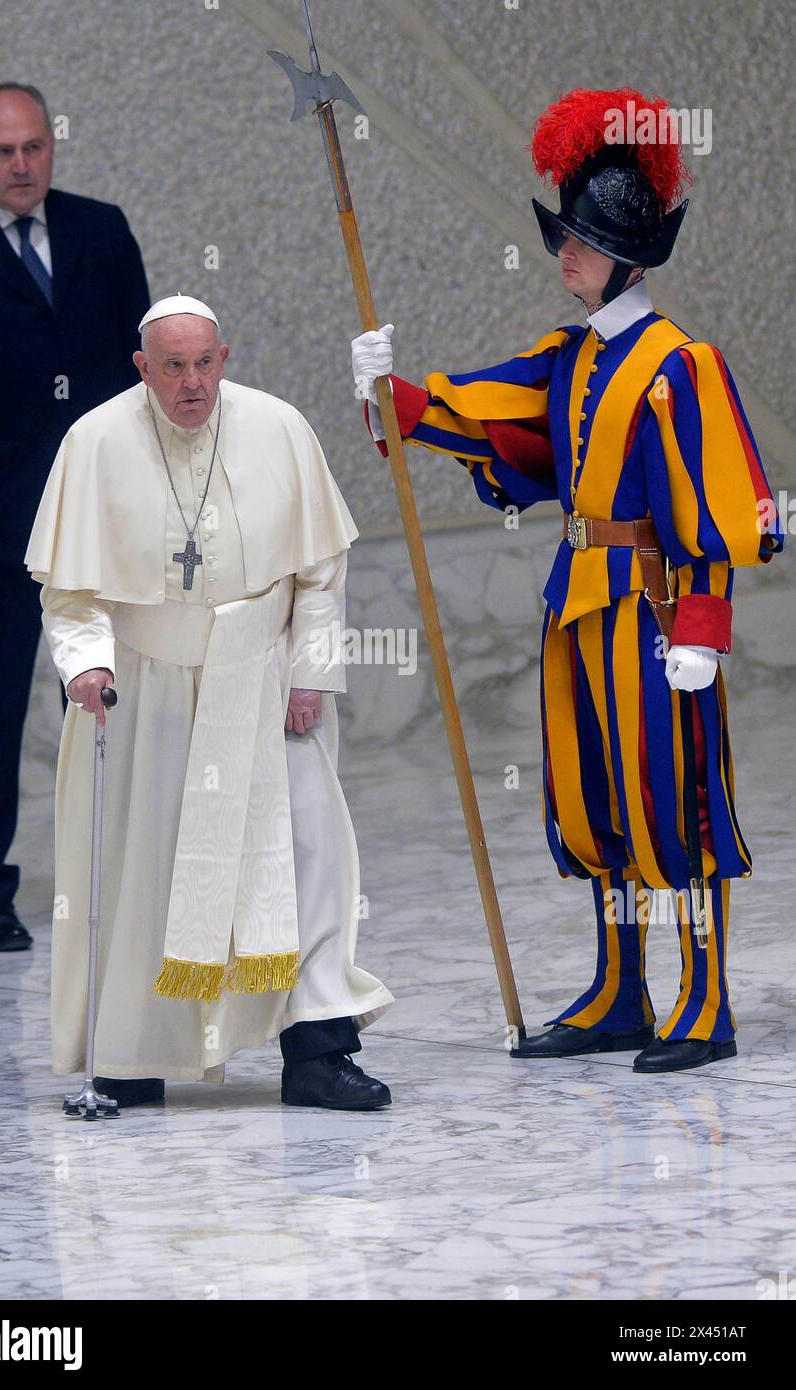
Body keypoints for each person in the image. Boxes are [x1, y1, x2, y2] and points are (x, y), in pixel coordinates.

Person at [351, 88, 782, 1074]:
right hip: (577, 603)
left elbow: (717, 502)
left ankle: (703, 998)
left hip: (654, 612)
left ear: (628, 255)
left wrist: (705, 625)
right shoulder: (572, 358)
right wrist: (399, 394)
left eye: (582, 242)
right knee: (595, 800)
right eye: (565, 239)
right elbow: (493, 417)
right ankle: (619, 989)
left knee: (675, 803)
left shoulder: (682, 365)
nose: (565, 256)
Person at [24, 294, 394, 1110]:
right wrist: (85, 665)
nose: (191, 384)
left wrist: (311, 676)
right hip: (145, 687)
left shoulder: (279, 428)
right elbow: (71, 591)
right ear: (141, 368)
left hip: (262, 681)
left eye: (204, 364)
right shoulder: (92, 442)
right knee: (145, 865)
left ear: (223, 358)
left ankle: (319, 1052)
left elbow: (320, 575)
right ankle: (130, 1053)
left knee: (302, 859)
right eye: (171, 367)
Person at [0, 82, 150, 952]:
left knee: (108, 694)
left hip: (100, 514)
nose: (20, 165)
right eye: (2, 152)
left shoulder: (101, 228)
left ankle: (119, 872)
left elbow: (142, 369)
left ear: (51, 145)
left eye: (33, 147)